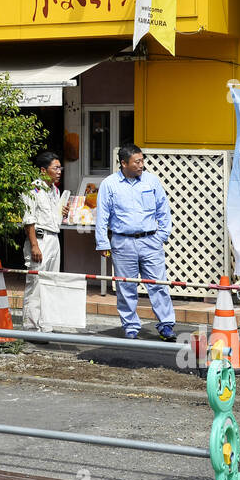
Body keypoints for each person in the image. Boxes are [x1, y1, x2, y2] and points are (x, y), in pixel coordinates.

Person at [95, 144, 175, 341]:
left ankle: (166, 325)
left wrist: (162, 235)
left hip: (150, 241)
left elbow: (163, 210)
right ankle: (130, 326)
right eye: (136, 162)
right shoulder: (109, 184)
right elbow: (102, 216)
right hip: (122, 242)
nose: (141, 165)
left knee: (158, 285)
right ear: (124, 163)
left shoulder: (151, 181)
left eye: (142, 160)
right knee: (126, 287)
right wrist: (103, 243)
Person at [21, 150, 63, 334]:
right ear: (43, 170)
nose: (59, 171)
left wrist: (64, 211)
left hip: (54, 237)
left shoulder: (55, 190)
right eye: (56, 168)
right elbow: (28, 219)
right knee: (36, 281)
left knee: (51, 281)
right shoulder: (32, 189)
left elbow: (53, 217)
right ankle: (31, 325)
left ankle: (46, 323)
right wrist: (34, 245)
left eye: (60, 167)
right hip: (40, 239)